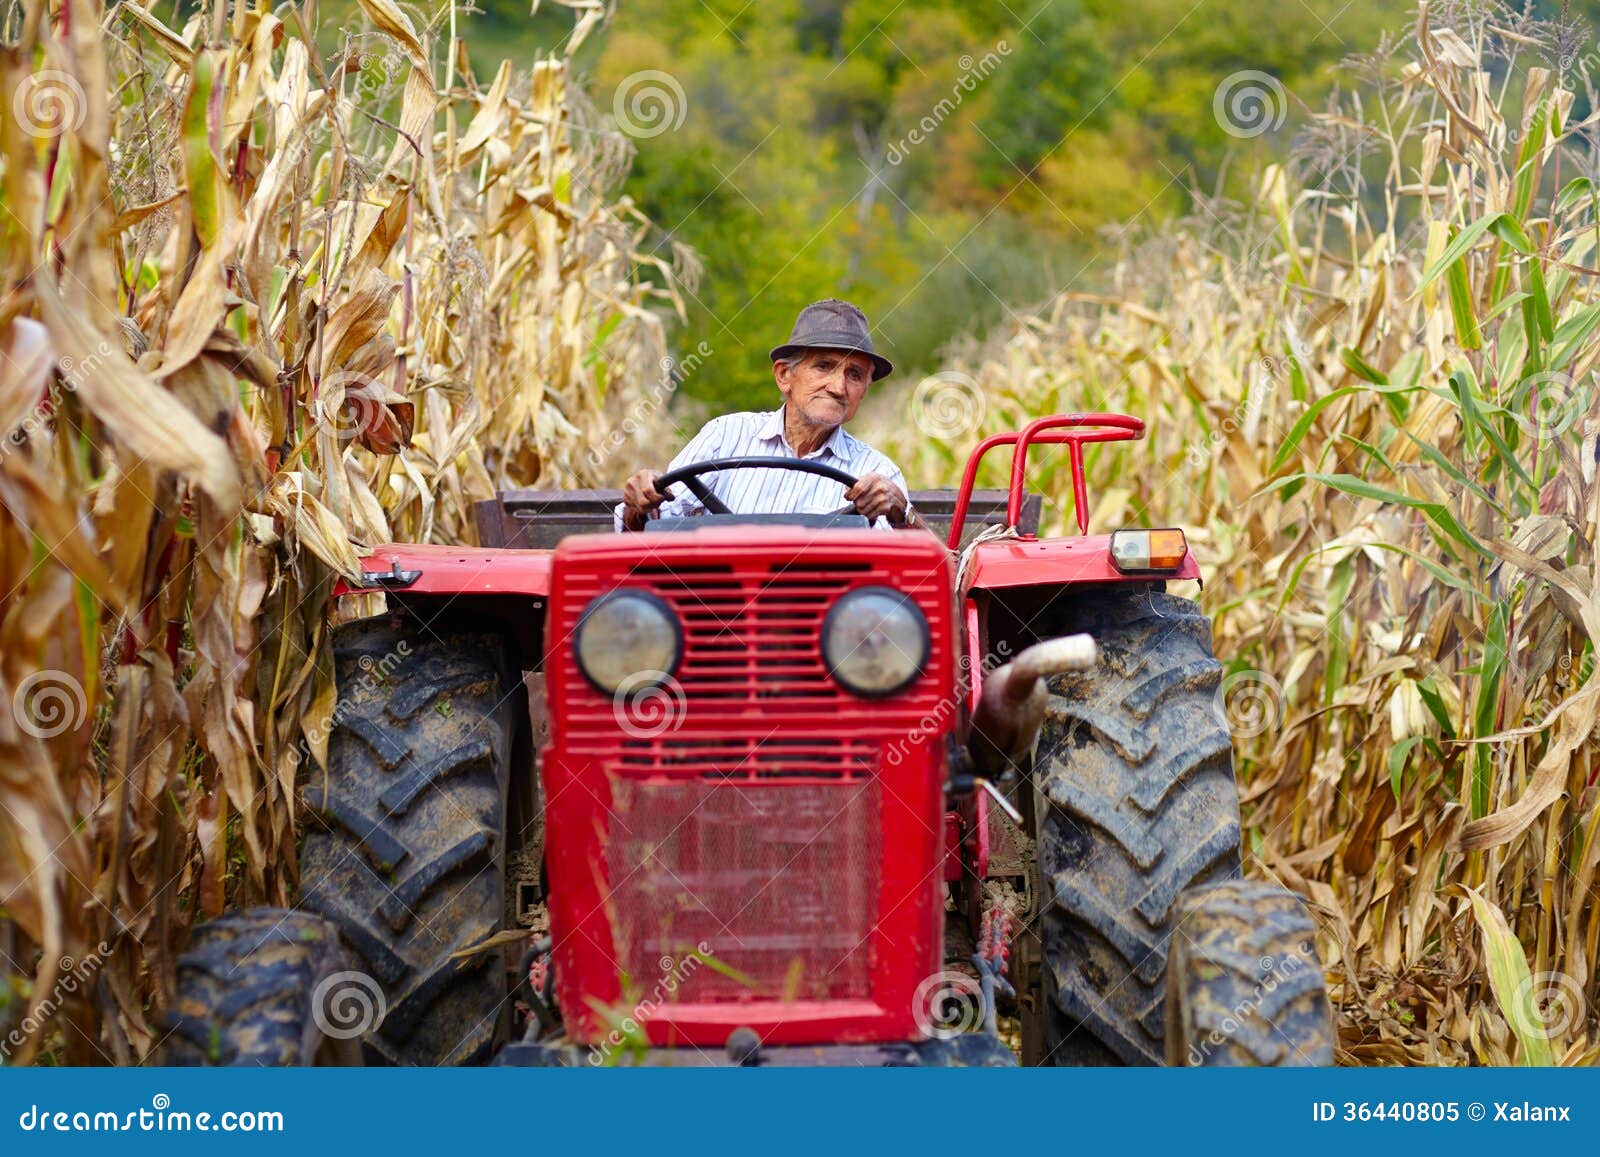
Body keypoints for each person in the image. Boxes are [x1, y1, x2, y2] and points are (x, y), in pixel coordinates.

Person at [615, 299, 930, 533]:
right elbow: (647, 534)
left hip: (819, 617)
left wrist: (902, 514)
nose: (838, 387)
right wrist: (639, 503)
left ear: (864, 390)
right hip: (712, 608)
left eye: (855, 374)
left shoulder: (875, 471)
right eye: (823, 366)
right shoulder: (724, 436)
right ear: (784, 376)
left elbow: (926, 570)